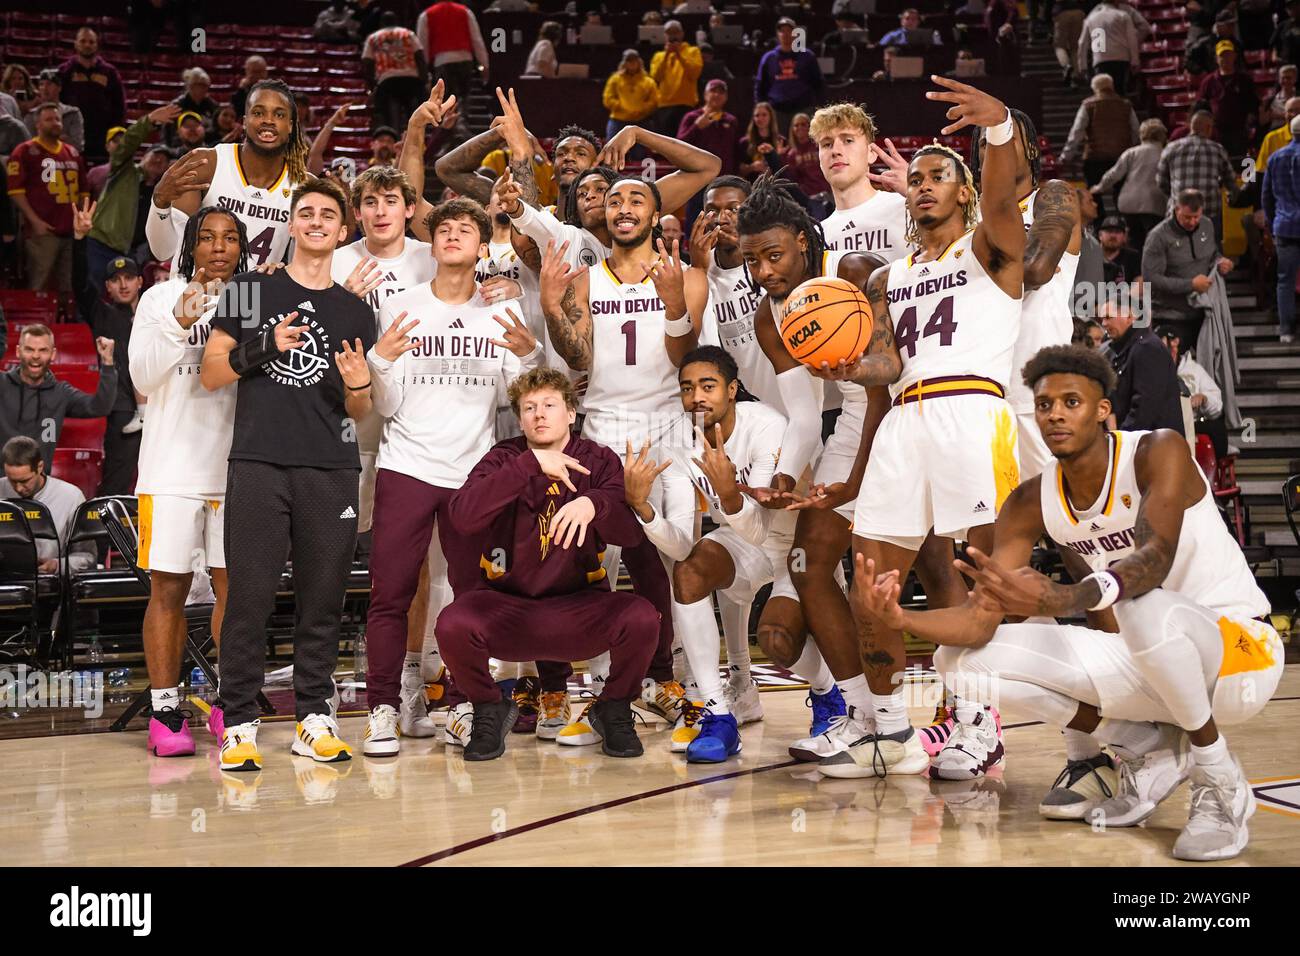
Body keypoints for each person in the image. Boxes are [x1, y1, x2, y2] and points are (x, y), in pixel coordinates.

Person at [857, 344, 1282, 861]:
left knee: (1142, 605)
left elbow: (1154, 560)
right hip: (1151, 665)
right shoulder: (1030, 500)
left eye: (1072, 402)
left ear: (1104, 410)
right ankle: (1147, 750)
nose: (1055, 413)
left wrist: (1065, 595)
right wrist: (901, 617)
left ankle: (1219, 781)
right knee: (960, 665)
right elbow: (976, 620)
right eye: (1043, 404)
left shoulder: (1157, 451)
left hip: (1240, 654)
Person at [817, 79, 1026, 781]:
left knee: (979, 582)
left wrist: (997, 129)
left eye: (942, 177)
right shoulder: (890, 275)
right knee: (867, 580)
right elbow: (885, 359)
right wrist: (845, 361)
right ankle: (888, 731)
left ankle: (979, 723)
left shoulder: (991, 249)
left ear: (964, 193)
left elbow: (1003, 195)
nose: (927, 186)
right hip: (905, 419)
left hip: (975, 412)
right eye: (921, 179)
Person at [201, 178, 377, 772]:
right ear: (293, 223)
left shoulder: (355, 310)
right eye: (307, 213)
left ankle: (313, 718)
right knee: (248, 598)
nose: (318, 221)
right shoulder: (252, 289)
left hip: (331, 467)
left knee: (323, 601)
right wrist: (265, 347)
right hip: (258, 461)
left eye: (329, 214)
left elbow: (360, 409)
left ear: (342, 229)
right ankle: (241, 724)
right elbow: (211, 372)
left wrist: (358, 387)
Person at [360, 197, 541, 756]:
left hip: (472, 473)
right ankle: (383, 710)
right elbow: (384, 406)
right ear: (433, 244)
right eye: (445, 230)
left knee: (471, 595)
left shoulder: (501, 313)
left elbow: (522, 399)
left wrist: (531, 356)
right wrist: (380, 362)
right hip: (407, 465)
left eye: (467, 229)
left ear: (484, 248)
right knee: (390, 594)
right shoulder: (401, 306)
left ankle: (466, 703)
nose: (454, 236)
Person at [535, 176, 697, 745]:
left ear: (657, 215)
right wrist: (553, 306)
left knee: (665, 557)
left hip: (667, 428)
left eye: (636, 200)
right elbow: (576, 354)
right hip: (600, 427)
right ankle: (596, 688)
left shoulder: (687, 278)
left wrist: (676, 307)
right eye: (615, 201)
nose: (623, 208)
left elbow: (686, 360)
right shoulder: (585, 278)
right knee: (584, 561)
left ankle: (664, 680)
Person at [437, 367, 658, 761]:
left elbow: (631, 535)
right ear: (519, 418)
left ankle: (614, 708)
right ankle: (490, 707)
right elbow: (462, 517)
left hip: (578, 607)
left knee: (641, 617)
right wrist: (529, 466)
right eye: (529, 407)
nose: (539, 414)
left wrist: (594, 504)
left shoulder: (597, 459)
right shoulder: (503, 458)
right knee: (452, 623)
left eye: (549, 405)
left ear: (571, 413)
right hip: (509, 608)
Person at [625, 346, 789, 760]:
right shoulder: (679, 445)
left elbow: (761, 525)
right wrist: (643, 509)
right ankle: (717, 712)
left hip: (796, 547)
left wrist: (730, 493)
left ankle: (833, 701)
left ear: (732, 390)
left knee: (787, 642)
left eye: (708, 386)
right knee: (689, 570)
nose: (696, 396)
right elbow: (681, 542)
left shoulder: (768, 425)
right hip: (743, 543)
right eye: (687, 388)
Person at [129, 205, 247, 756]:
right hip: (170, 469)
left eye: (230, 238)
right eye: (207, 237)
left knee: (235, 592)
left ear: (243, 249)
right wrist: (179, 321)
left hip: (238, 468)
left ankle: (229, 702)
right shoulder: (157, 298)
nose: (219, 246)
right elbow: (141, 377)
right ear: (190, 247)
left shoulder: (252, 301)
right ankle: (165, 711)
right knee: (168, 590)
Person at [148, 79, 311, 271]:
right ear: (244, 122)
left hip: (254, 298)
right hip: (196, 295)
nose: (268, 120)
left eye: (279, 114)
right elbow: (163, 251)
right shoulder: (206, 165)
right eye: (258, 113)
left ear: (291, 125)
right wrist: (159, 203)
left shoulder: (304, 187)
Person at [0, 324, 117, 468]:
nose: (36, 356)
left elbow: (100, 407)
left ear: (53, 354)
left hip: (40, 485)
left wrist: (108, 363)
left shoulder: (61, 392)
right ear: (18, 351)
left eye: (43, 350)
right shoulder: (2, 384)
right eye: (29, 349)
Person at [7, 105, 86, 293]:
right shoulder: (24, 151)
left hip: (70, 231)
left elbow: (84, 192)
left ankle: (65, 321)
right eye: (49, 119)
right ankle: (34, 323)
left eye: (57, 119)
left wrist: (80, 221)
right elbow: (15, 191)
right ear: (37, 125)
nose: (55, 123)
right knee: (39, 283)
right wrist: (35, 221)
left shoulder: (72, 153)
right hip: (42, 231)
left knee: (68, 286)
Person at [1142, 189, 1234, 344]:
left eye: (1196, 217)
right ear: (1176, 209)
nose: (1192, 222)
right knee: (1172, 366)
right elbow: (1151, 278)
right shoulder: (1158, 236)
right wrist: (1190, 285)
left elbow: (1212, 255)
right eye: (1187, 217)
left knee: (1208, 366)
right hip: (1170, 316)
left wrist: (1221, 262)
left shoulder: (1207, 225)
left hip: (1204, 314)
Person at [0, 435, 96, 573]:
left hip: (53, 583)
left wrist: (57, 565)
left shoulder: (71, 497)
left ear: (39, 467)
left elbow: (88, 557)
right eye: (12, 481)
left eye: (25, 481)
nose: (19, 488)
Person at [90, 256, 144, 494]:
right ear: (108, 287)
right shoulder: (104, 315)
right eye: (116, 280)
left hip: (162, 407)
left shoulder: (155, 313)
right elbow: (81, 285)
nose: (123, 285)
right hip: (122, 410)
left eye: (129, 278)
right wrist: (80, 240)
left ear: (140, 281)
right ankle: (107, 531)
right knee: (116, 484)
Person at [1099, 292, 1185, 433]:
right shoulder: (1124, 350)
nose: (1104, 324)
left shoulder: (1147, 348)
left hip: (1155, 447)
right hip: (1143, 443)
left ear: (1129, 316)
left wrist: (1123, 440)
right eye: (1102, 319)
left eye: (1108, 317)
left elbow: (1145, 406)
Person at [1156, 111, 1237, 240]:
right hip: (1208, 212)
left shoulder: (1171, 148)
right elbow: (1231, 181)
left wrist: (1174, 194)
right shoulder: (1217, 149)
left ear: (1191, 127)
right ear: (1209, 128)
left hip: (1179, 211)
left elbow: (1160, 181)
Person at [1093, 118, 1168, 250]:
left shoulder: (1132, 152)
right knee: (1154, 243)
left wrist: (1100, 187)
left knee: (1133, 242)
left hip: (1129, 204)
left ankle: (1133, 269)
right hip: (1156, 204)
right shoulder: (1166, 153)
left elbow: (1114, 174)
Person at [415, 0, 492, 127]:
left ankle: (450, 131)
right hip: (465, 59)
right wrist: (485, 64)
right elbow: (476, 40)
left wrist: (425, 71)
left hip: (442, 61)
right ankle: (462, 127)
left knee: (446, 102)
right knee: (463, 98)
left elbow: (423, 46)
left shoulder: (427, 15)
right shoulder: (465, 12)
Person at [56, 27, 125, 165]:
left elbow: (119, 105)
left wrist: (114, 134)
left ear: (97, 44)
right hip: (71, 136)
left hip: (101, 137)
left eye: (91, 42)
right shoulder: (65, 71)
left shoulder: (109, 72)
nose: (87, 45)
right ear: (76, 43)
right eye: (83, 41)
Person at [1061, 74, 1139, 188]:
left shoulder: (1088, 105)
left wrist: (1066, 156)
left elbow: (1077, 132)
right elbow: (1136, 130)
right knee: (1120, 191)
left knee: (1094, 194)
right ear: (1112, 86)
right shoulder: (1126, 105)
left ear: (1094, 88)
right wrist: (1130, 147)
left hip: (1095, 156)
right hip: (1121, 156)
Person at [1159, 326, 1227, 455]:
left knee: (1216, 428)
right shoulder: (1152, 370)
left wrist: (1203, 398)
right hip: (1165, 426)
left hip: (1192, 423)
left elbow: (1217, 407)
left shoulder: (1194, 370)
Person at [1262, 114, 1300, 344]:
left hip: (1284, 226)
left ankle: (1286, 330)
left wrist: (1271, 220)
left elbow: (1266, 195)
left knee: (1284, 280)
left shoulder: (1275, 158)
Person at [754, 17, 826, 134]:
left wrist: (820, 108)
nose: (785, 34)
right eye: (782, 31)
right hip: (777, 110)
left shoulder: (807, 56)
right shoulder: (769, 58)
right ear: (777, 34)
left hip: (803, 109)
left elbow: (818, 83)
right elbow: (760, 85)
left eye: (789, 31)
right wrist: (761, 108)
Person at [363, 12, 428, 134]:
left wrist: (373, 86)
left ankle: (395, 142)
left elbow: (367, 61)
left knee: (392, 118)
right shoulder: (408, 34)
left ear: (382, 23)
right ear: (396, 22)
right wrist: (423, 80)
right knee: (414, 116)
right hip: (411, 79)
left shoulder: (374, 38)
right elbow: (419, 54)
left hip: (387, 80)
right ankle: (416, 142)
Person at [1195, 43, 1257, 159]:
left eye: (1228, 55)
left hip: (1239, 131)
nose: (1226, 59)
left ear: (1234, 56)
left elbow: (1253, 105)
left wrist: (1250, 124)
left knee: (1240, 164)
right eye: (1222, 56)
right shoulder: (1208, 81)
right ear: (1216, 59)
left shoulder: (1245, 80)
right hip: (1216, 133)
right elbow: (1200, 106)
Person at [678, 79, 743, 178]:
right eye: (713, 91)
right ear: (705, 94)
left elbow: (735, 151)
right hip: (697, 176)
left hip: (724, 177)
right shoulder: (692, 117)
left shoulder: (731, 120)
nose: (717, 95)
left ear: (726, 97)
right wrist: (696, 127)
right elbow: (678, 146)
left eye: (721, 92)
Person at [649, 21, 703, 139]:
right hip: (664, 105)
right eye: (670, 33)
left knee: (685, 143)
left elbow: (694, 74)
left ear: (682, 34)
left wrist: (679, 54)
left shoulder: (693, 51)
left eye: (676, 32)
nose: (673, 36)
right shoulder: (658, 56)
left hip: (686, 104)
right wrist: (667, 55)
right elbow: (656, 77)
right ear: (665, 35)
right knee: (665, 144)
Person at [1076, 0, 1139, 94]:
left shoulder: (1091, 18)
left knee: (1102, 93)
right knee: (1120, 92)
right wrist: (1135, 60)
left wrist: (1082, 65)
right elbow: (1131, 39)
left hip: (1100, 59)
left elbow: (1082, 43)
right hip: (1121, 58)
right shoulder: (1123, 15)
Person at [603, 51, 660, 146]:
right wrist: (623, 108)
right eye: (629, 61)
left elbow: (654, 100)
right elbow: (608, 98)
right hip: (618, 120)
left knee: (640, 154)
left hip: (641, 121)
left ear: (639, 62)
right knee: (612, 149)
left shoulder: (648, 81)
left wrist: (641, 110)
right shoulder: (615, 79)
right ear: (624, 63)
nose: (632, 63)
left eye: (634, 61)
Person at [22, 70, 85, 153]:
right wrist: (61, 138)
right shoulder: (31, 115)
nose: (44, 88)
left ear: (59, 88)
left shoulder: (72, 113)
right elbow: (29, 147)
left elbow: (77, 146)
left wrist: (45, 138)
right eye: (41, 84)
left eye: (49, 84)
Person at [781, 113, 830, 214]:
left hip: (828, 193)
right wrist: (781, 156)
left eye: (803, 124)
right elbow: (791, 179)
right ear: (792, 129)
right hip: (809, 198)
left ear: (810, 126)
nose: (800, 127)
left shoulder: (820, 145)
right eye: (796, 125)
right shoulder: (791, 154)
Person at [166, 69, 219, 148]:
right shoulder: (176, 105)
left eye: (205, 86)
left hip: (207, 146)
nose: (203, 89)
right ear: (190, 86)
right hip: (180, 147)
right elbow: (168, 133)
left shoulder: (213, 106)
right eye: (199, 85)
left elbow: (216, 130)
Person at [740, 102, 785, 180]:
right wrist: (752, 167)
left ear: (771, 116)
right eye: (757, 115)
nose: (760, 118)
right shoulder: (745, 142)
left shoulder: (781, 141)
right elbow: (738, 171)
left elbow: (786, 172)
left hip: (774, 187)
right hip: (750, 187)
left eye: (764, 115)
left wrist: (778, 157)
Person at [1098, 215, 1142, 283]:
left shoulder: (1133, 256)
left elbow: (1140, 286)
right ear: (1100, 235)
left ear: (1124, 237)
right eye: (1109, 231)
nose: (1113, 235)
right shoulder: (1089, 255)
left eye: (1117, 232)